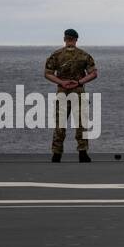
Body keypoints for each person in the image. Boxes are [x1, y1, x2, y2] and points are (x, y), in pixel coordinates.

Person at [43, 29, 97, 162]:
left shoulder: (56, 55)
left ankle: (56, 154)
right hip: (78, 91)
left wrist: (62, 82)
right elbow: (94, 73)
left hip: (62, 91)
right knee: (81, 124)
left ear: (64, 39)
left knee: (60, 124)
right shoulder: (84, 55)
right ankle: (82, 153)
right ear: (76, 39)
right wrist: (79, 82)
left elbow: (47, 73)